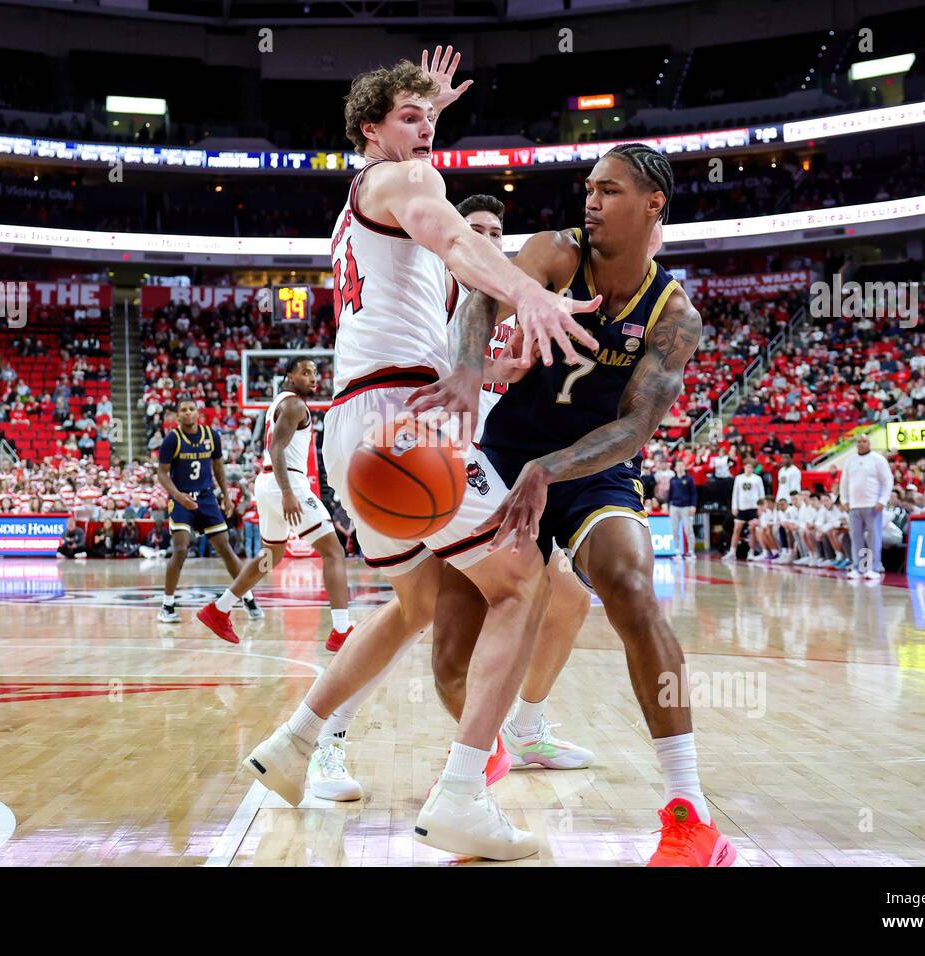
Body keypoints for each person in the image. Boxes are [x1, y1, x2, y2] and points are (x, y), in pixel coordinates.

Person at [241, 48, 602, 862]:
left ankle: (297, 742)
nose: (426, 131)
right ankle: (464, 795)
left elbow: (432, 270)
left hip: (358, 425)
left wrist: (483, 365)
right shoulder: (407, 183)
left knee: (412, 606)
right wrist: (527, 290)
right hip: (403, 423)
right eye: (409, 118)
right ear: (368, 129)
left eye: (431, 120)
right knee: (521, 585)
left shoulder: (362, 203)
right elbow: (457, 244)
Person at [410, 143, 734, 866]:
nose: (590, 200)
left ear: (653, 204)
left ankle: (691, 814)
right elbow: (481, 298)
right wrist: (467, 370)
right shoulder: (555, 251)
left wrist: (550, 470)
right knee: (449, 656)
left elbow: (635, 427)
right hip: (500, 458)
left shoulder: (674, 314)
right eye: (588, 187)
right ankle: (479, 777)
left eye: (609, 190)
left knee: (629, 586)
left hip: (591, 471)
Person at [424, 193, 596, 772]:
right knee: (414, 614)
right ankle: (328, 735)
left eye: (496, 232)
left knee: (567, 601)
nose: (487, 241)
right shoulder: (439, 292)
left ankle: (521, 730)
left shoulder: (513, 296)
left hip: (495, 467)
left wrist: (508, 370)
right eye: (473, 230)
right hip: (446, 465)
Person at [198, 357, 355, 652]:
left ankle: (220, 609)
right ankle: (341, 629)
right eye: (305, 372)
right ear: (288, 376)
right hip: (286, 483)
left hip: (268, 482)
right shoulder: (295, 405)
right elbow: (276, 448)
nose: (312, 377)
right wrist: (288, 492)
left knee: (273, 553)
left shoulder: (279, 403)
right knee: (334, 552)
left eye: (315, 373)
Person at [156, 397, 258, 622]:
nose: (188, 413)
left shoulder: (211, 436)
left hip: (206, 497)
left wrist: (226, 495)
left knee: (225, 548)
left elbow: (218, 466)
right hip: (182, 498)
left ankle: (248, 598)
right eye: (183, 410)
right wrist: (177, 496)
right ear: (177, 415)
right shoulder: (172, 440)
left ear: (198, 412)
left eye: (191, 409)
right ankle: (167, 605)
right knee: (181, 548)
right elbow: (162, 473)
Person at [839, 434, 893, 580]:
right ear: (856, 444)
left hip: (872, 505)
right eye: (859, 441)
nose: (862, 444)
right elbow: (844, 482)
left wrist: (882, 500)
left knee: (873, 538)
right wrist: (844, 499)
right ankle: (859, 568)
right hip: (854, 506)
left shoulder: (878, 459)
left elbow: (888, 480)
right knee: (856, 539)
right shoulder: (850, 461)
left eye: (864, 441)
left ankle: (874, 568)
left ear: (869, 443)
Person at [725, 456, 764, 560]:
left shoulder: (757, 479)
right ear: (744, 467)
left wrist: (761, 508)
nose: (749, 469)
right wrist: (735, 506)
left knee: (752, 530)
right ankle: (732, 551)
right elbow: (735, 493)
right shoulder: (739, 478)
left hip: (753, 507)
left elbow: (761, 495)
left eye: (751, 467)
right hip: (742, 507)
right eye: (747, 467)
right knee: (737, 529)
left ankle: (751, 552)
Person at [667, 459, 697, 560]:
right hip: (674, 507)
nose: (679, 467)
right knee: (675, 530)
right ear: (675, 468)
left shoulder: (689, 479)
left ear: (684, 467)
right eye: (678, 466)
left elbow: (694, 493)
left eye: (681, 465)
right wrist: (668, 506)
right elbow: (670, 494)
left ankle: (691, 552)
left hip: (686, 507)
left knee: (688, 530)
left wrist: (693, 505)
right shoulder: (672, 480)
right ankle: (677, 552)